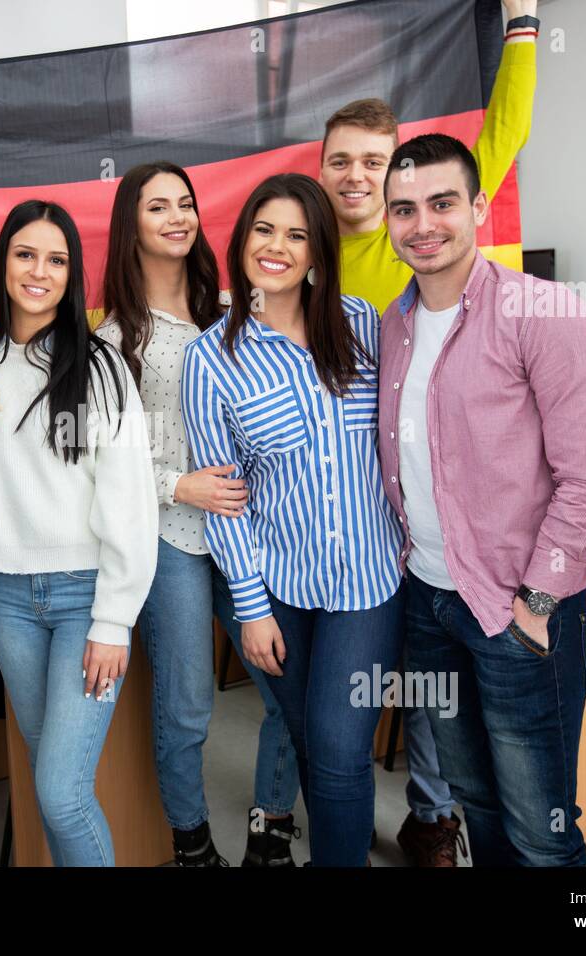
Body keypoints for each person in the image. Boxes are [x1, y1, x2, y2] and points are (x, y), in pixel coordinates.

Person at [316, 0, 539, 864]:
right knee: (413, 675)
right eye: (343, 160)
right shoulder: (306, 247)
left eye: (375, 161)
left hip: (438, 494)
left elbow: (507, 128)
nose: (357, 175)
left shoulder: (423, 231)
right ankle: (416, 806)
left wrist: (520, 21)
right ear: (323, 168)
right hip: (351, 501)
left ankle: (433, 815)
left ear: (397, 170)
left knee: (437, 680)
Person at [378, 133, 586, 866]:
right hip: (428, 603)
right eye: (404, 209)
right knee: (474, 801)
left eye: (442, 203)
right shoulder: (391, 325)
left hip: (520, 609)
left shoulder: (544, 313)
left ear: (479, 207)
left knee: (539, 829)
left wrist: (537, 605)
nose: (423, 224)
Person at [182, 173, 404, 867]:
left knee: (340, 747)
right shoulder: (210, 359)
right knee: (311, 739)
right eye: (264, 230)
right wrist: (250, 608)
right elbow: (224, 499)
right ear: (241, 240)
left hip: (369, 581)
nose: (277, 247)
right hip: (280, 587)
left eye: (297, 235)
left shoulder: (364, 323)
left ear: (317, 251)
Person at [97, 161, 300, 867]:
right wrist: (177, 485)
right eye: (159, 207)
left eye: (185, 204)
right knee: (187, 706)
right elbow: (101, 457)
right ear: (133, 225)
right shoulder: (114, 337)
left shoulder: (232, 311)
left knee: (286, 687)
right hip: (172, 540)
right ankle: (192, 843)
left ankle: (270, 832)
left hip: (245, 535)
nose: (179, 216)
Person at [0, 200, 157, 866]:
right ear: (3, 261)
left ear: (73, 273)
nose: (39, 271)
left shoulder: (100, 367)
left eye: (56, 260)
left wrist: (114, 621)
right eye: (26, 254)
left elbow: (132, 501)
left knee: (61, 790)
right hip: (10, 601)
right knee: (57, 790)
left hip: (87, 599)